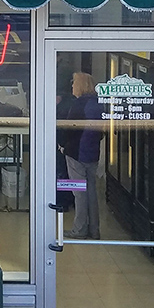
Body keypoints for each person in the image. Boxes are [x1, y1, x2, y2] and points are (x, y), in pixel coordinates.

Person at [58, 71, 104, 240]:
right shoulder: (98, 104)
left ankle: (79, 230)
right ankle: (94, 229)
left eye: (74, 83)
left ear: (80, 85)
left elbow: (70, 128)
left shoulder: (78, 105)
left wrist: (62, 145)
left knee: (79, 193)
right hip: (92, 153)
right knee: (91, 191)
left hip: (76, 153)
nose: (72, 86)